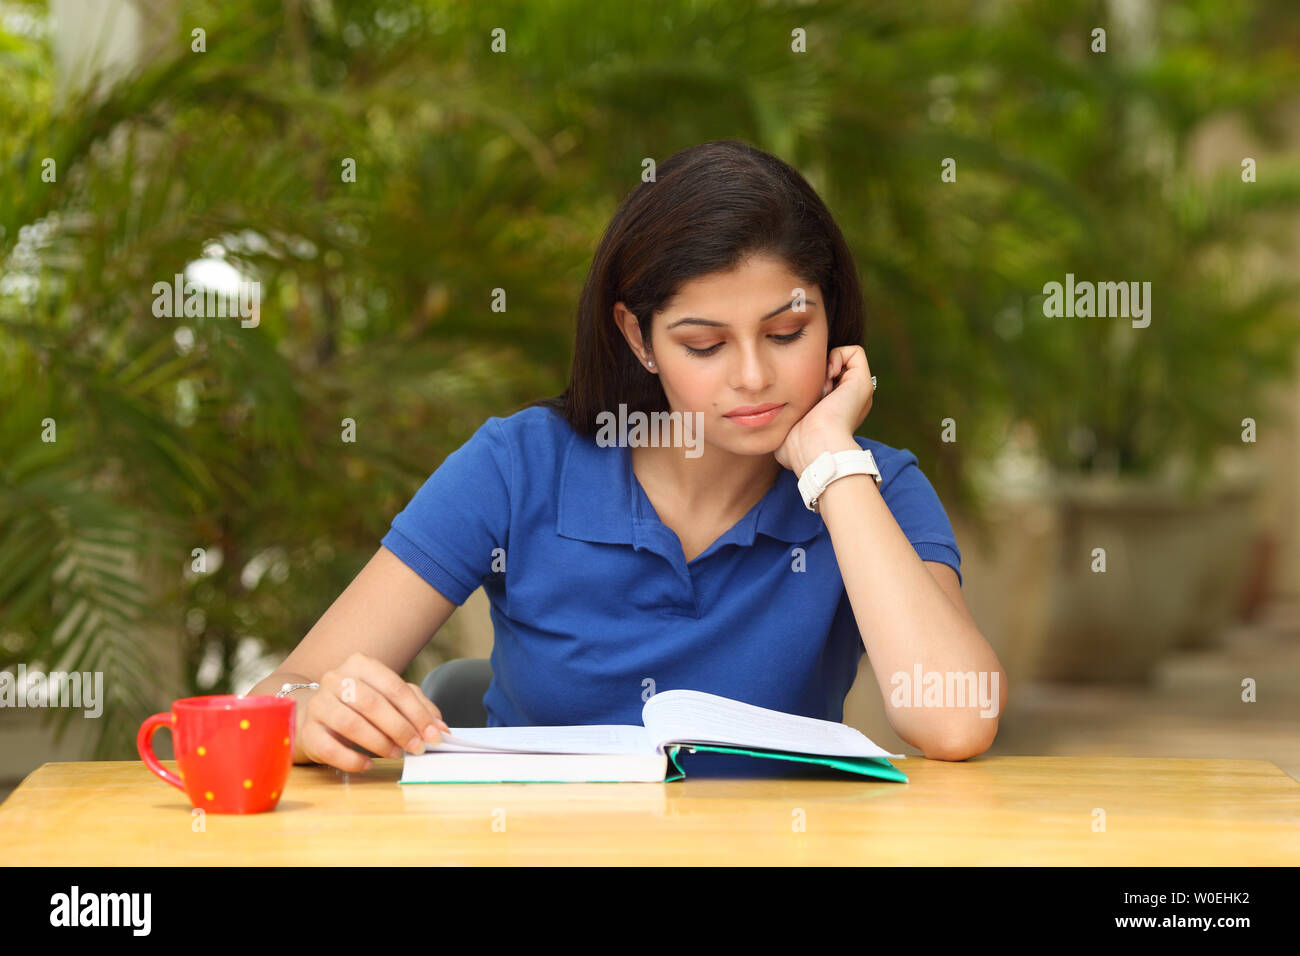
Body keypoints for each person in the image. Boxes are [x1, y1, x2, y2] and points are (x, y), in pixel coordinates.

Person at [251, 139, 1007, 776]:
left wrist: (833, 464)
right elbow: (278, 694)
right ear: (639, 338)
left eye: (785, 333)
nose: (753, 376)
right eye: (704, 344)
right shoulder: (519, 468)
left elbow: (955, 722)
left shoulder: (871, 488)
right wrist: (312, 710)